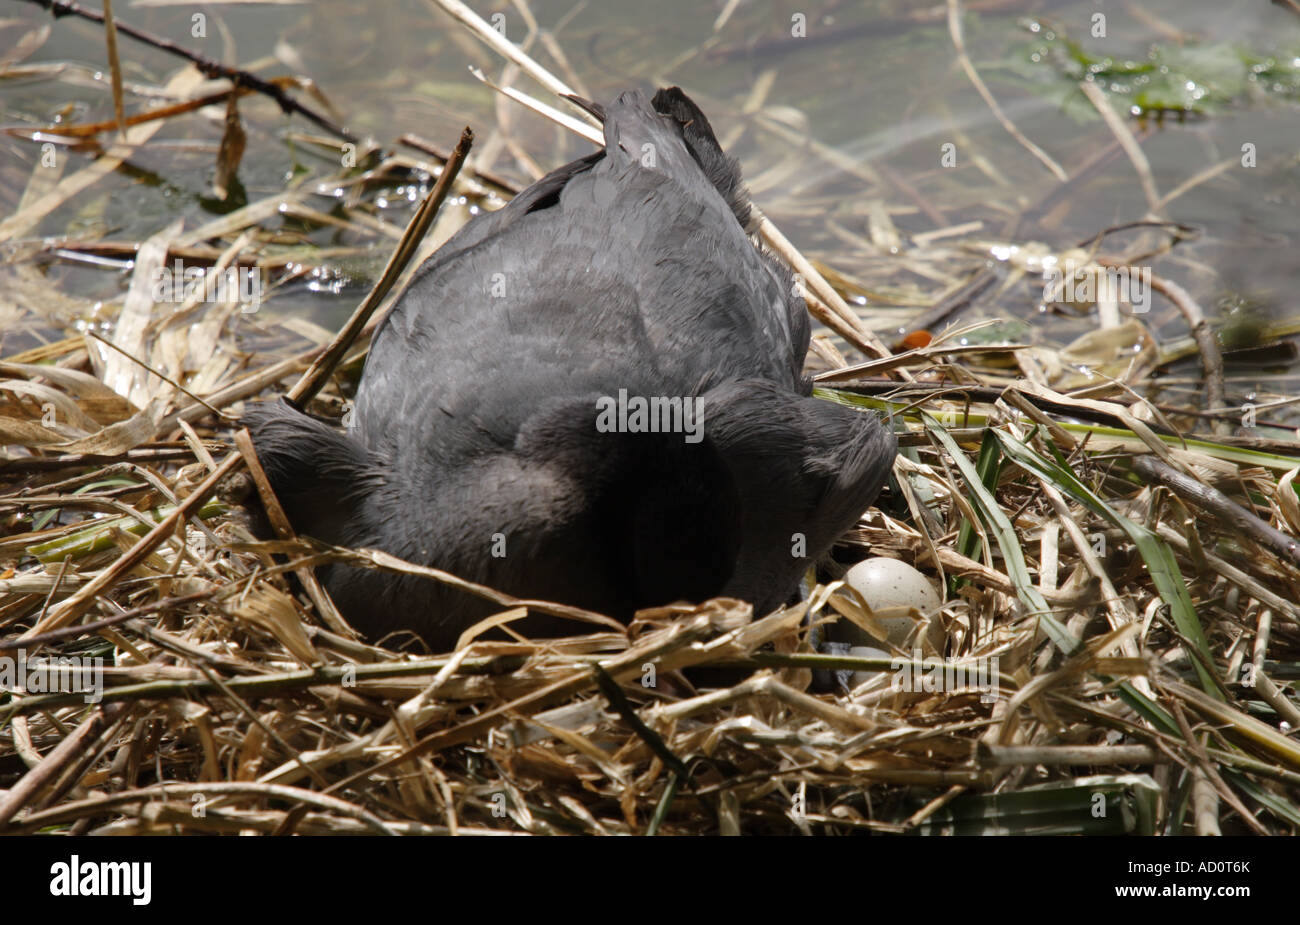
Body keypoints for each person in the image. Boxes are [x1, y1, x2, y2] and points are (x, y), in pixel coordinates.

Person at [243, 87, 896, 650]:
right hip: (596, 244)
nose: (671, 636)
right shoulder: (727, 440)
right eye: (674, 616)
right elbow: (864, 444)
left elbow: (865, 445)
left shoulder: (390, 538)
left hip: (646, 234)